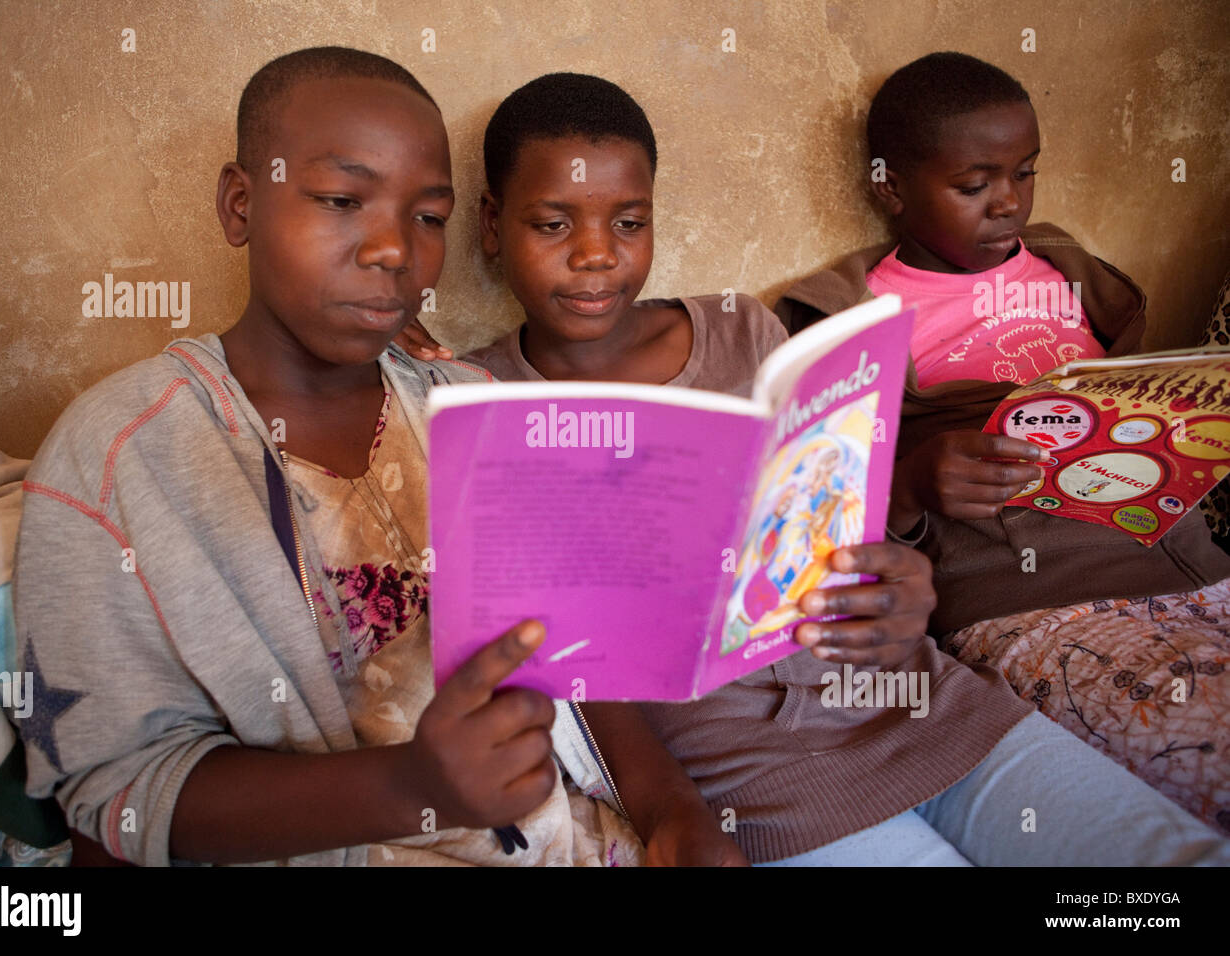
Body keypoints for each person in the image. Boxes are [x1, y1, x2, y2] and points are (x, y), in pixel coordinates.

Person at [399, 71, 1230, 863]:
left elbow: (847, 529)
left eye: (629, 221)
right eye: (552, 224)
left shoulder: (741, 333)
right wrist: (667, 808)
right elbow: (553, 660)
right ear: (489, 226)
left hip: (918, 701)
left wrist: (904, 583)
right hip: (751, 767)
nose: (595, 255)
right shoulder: (480, 401)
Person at [11, 46, 746, 867]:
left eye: (428, 217)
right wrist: (411, 786)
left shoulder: (470, 405)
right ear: (240, 204)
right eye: (341, 199)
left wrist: (673, 807)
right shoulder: (121, 457)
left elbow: (569, 650)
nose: (395, 249)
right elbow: (120, 800)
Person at [775, 52, 1230, 833]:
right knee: (1206, 759)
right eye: (974, 184)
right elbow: (812, 520)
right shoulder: (850, 320)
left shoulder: (1069, 270)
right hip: (1030, 604)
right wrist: (910, 485)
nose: (1008, 204)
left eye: (1026, 173)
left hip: (1196, 567)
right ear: (889, 187)